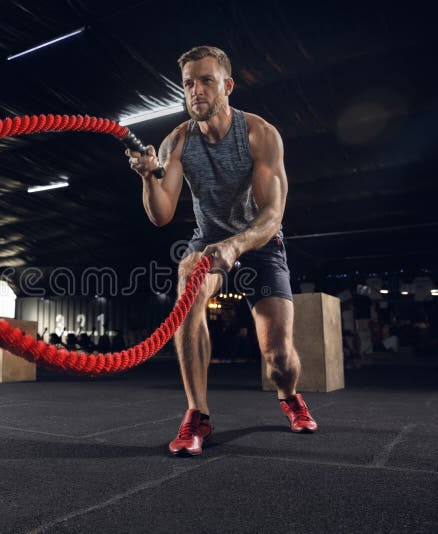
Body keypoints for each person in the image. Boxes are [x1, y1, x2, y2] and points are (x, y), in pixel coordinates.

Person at [126, 45, 317, 456]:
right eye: (188, 84)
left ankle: (290, 397)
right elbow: (161, 215)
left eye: (206, 81)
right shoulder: (176, 142)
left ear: (227, 85)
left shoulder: (259, 134)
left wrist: (237, 245)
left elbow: (273, 214)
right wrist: (147, 178)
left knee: (278, 356)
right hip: (209, 241)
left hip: (260, 243)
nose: (196, 90)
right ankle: (198, 414)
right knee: (187, 279)